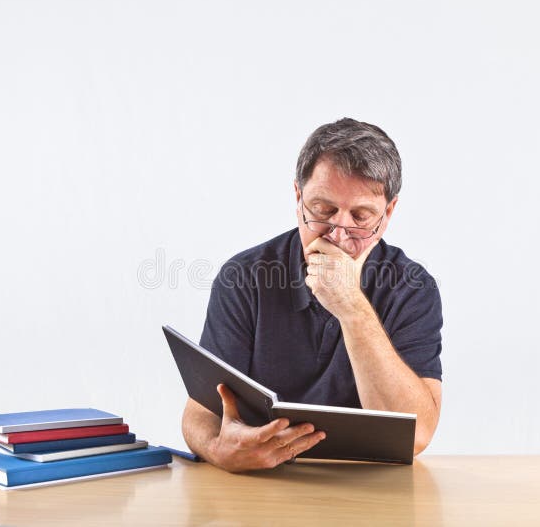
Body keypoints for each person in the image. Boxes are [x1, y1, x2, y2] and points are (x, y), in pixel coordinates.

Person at [182, 118, 443, 472]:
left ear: (389, 213)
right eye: (323, 210)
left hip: (369, 487)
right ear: (298, 197)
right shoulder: (242, 276)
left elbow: (416, 434)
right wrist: (218, 449)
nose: (337, 234)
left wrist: (352, 308)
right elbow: (200, 414)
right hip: (263, 483)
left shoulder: (412, 287)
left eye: (361, 216)